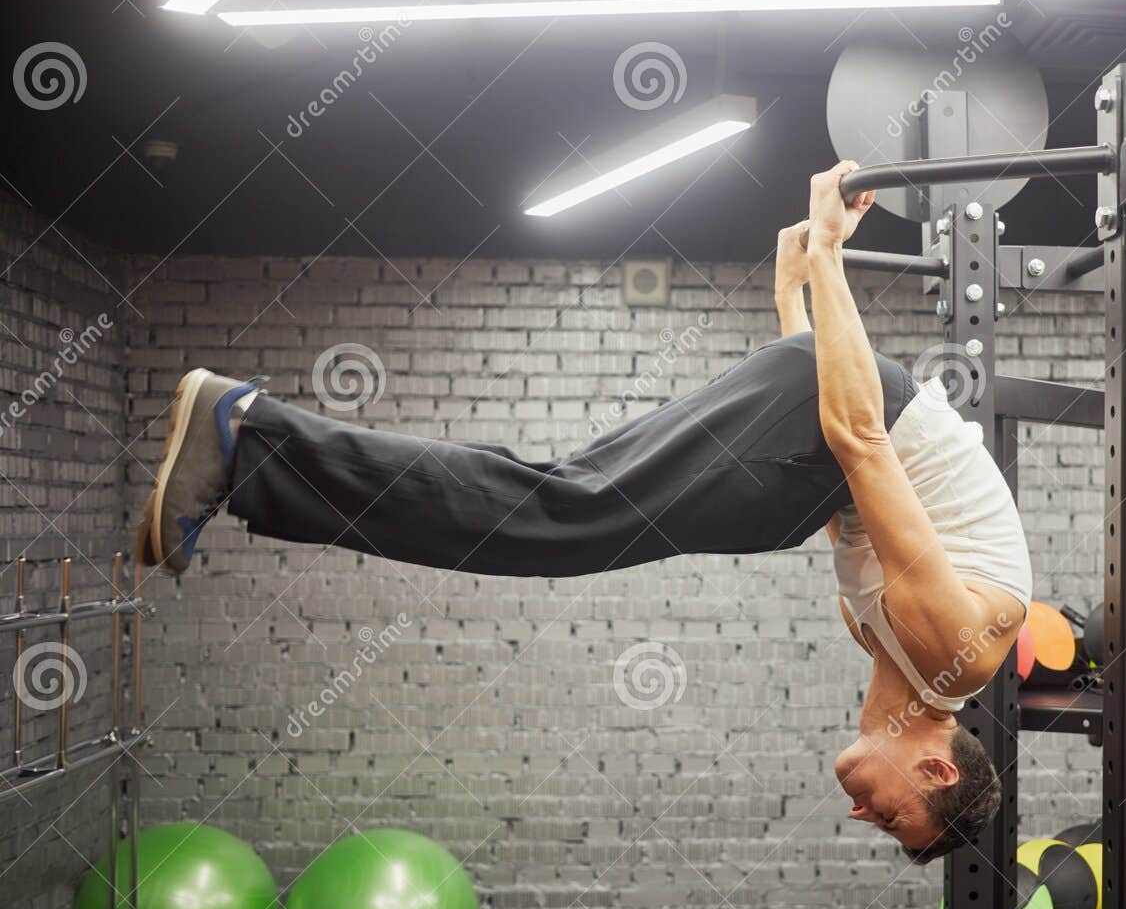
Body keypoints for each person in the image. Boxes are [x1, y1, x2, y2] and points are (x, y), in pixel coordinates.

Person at [136, 162, 1032, 862]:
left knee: (555, 507)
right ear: (936, 769)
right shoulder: (951, 642)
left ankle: (253, 451)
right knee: (561, 514)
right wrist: (829, 254)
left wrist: (791, 296)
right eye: (892, 818)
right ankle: (247, 438)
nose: (861, 810)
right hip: (835, 428)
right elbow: (864, 435)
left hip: (816, 447)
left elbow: (857, 453)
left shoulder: (887, 645)